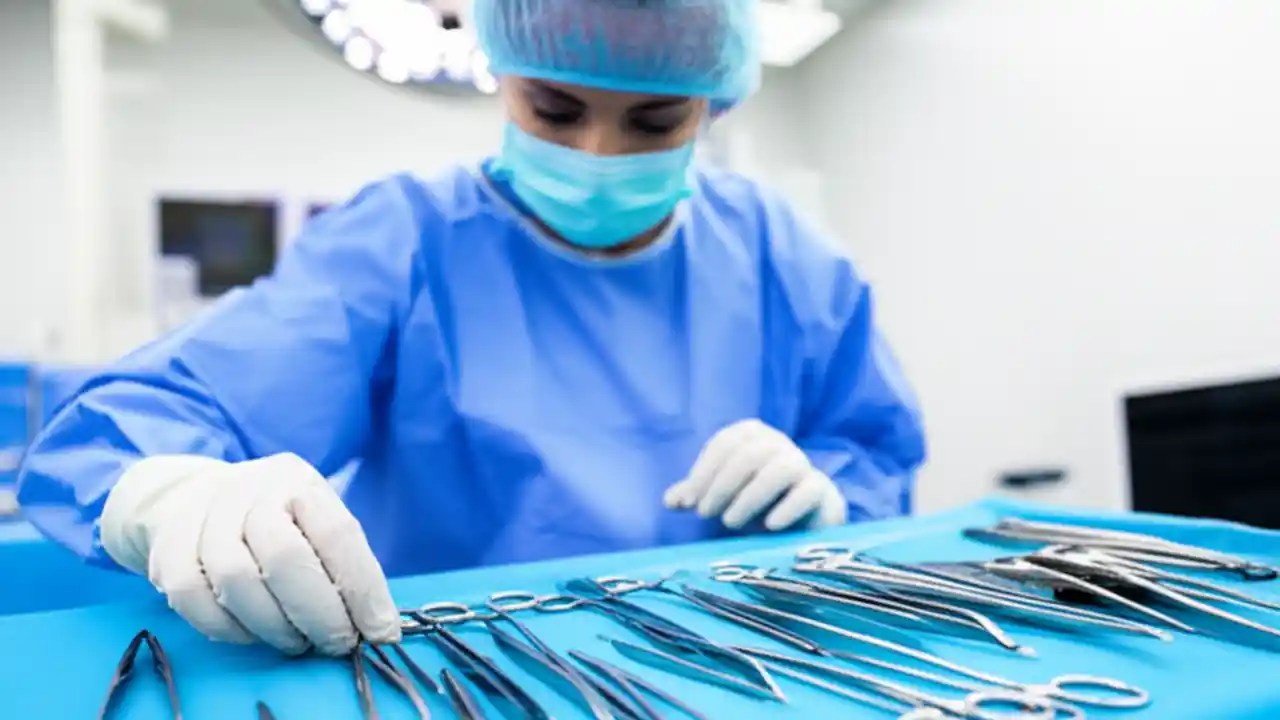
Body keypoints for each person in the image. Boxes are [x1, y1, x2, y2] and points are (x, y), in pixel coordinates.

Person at [17, 0, 925, 657]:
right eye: (555, 110)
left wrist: (828, 490)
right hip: (456, 670)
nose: (596, 154)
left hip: (720, 665)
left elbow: (875, 448)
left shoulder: (783, 258)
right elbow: (145, 415)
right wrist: (169, 496)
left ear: (714, 105)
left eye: (653, 120)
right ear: (502, 75)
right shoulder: (405, 243)